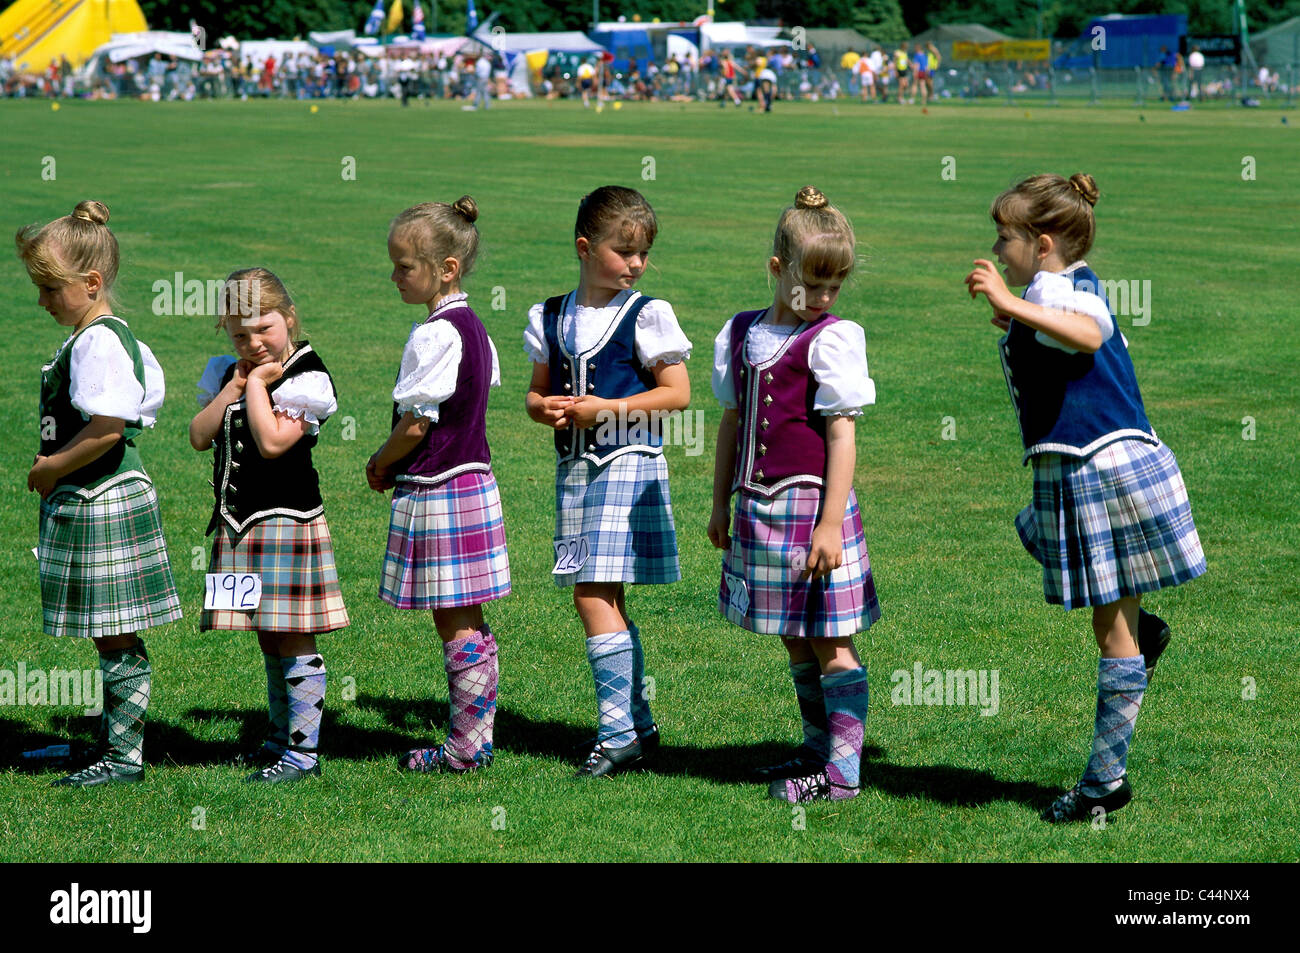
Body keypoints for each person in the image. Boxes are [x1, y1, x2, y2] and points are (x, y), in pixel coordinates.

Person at [964, 173, 1206, 822]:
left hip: (1102, 472)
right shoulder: (1054, 287)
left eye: (1005, 237)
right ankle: (1141, 635)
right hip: (1083, 473)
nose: (997, 246)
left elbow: (1088, 334)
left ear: (1042, 244)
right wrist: (1014, 316)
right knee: (1037, 531)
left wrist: (1013, 308)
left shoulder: (1065, 288)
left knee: (1109, 629)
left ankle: (1105, 782)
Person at [708, 186, 879, 804]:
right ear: (778, 270)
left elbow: (842, 435)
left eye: (837, 287)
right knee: (791, 632)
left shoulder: (832, 338)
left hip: (812, 511)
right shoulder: (739, 333)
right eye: (815, 285)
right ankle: (815, 748)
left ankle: (843, 772)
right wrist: (721, 500)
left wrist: (831, 523)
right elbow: (731, 422)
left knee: (831, 638)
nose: (826, 299)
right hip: (757, 507)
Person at [524, 186, 691, 778]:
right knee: (606, 596)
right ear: (584, 247)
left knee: (590, 595)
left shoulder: (647, 313)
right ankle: (639, 726)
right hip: (573, 471)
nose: (637, 263)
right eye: (625, 251)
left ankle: (617, 733)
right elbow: (537, 392)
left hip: (628, 465)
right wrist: (541, 406)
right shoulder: (549, 314)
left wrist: (604, 410)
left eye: (644, 252)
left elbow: (678, 393)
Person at [18, 200, 181, 787]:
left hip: (99, 497)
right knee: (107, 628)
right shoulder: (107, 336)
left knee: (114, 629)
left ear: (90, 283)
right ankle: (113, 744)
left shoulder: (97, 343)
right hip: (98, 496)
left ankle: (123, 758)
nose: (41, 300)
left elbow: (110, 425)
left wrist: (51, 468)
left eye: (49, 288)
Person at [189, 268, 348, 784]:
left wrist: (256, 384)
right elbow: (198, 435)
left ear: (290, 319)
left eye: (264, 329)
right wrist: (234, 384)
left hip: (287, 520)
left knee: (293, 633)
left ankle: (303, 753)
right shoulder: (226, 373)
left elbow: (273, 441)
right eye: (239, 334)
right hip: (240, 524)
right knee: (266, 634)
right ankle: (281, 738)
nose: (253, 343)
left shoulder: (308, 375)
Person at [367, 197, 509, 773]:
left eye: (405, 265)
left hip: (440, 487)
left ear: (446, 268)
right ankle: (475, 738)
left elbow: (420, 420)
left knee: (454, 618)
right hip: (473, 480)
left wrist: (380, 460)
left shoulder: (435, 334)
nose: (395, 275)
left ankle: (466, 748)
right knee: (467, 616)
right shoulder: (473, 327)